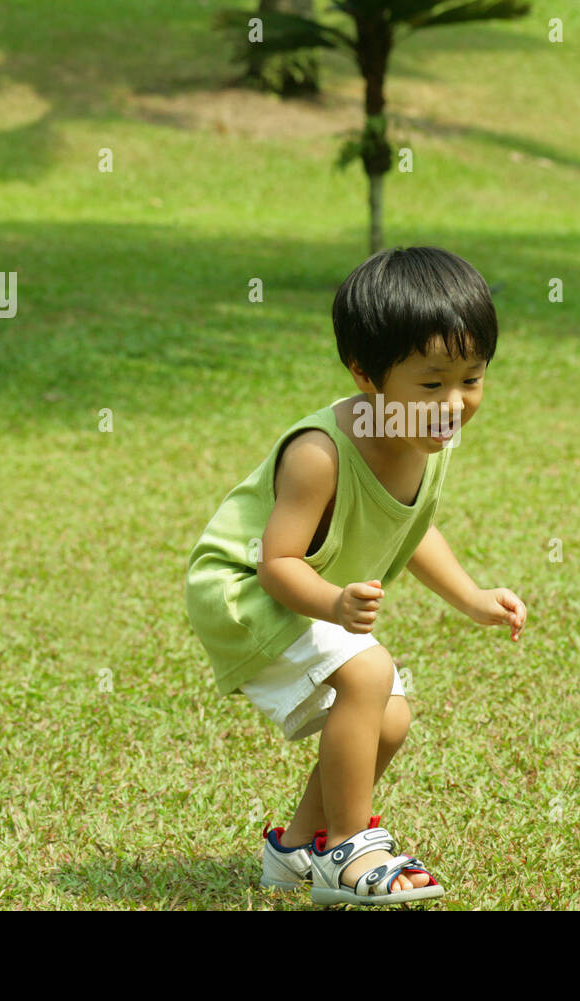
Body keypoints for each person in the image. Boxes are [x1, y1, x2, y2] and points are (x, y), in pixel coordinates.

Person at [185, 246, 527, 906]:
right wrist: (336, 604)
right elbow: (277, 560)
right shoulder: (319, 454)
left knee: (388, 718)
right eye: (431, 383)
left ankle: (296, 849)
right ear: (366, 374)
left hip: (307, 594)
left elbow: (411, 525)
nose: (454, 403)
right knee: (369, 673)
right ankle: (348, 849)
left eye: (472, 379)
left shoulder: (425, 441)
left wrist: (473, 597)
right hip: (244, 591)